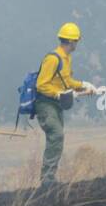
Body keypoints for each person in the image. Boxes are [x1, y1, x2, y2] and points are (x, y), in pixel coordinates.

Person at [29, 23, 88, 186]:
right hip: (45, 104)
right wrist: (58, 94)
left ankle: (49, 177)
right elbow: (41, 85)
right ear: (71, 41)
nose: (77, 44)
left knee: (57, 138)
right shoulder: (53, 58)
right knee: (56, 135)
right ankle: (47, 179)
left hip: (56, 104)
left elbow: (66, 80)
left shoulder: (66, 58)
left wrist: (83, 85)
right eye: (76, 41)